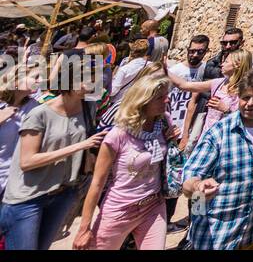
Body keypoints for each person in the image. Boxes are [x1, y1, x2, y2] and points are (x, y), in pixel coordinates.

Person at [181, 68, 253, 250]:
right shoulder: (220, 132)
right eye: (245, 98)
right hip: (217, 235)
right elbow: (189, 178)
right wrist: (198, 187)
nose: (250, 103)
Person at [0, 52, 102, 250]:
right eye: (86, 79)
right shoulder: (39, 113)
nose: (92, 84)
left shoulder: (88, 108)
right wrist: (80, 146)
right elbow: (27, 162)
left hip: (63, 193)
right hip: (28, 198)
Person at [73, 74, 171, 250]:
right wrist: (84, 229)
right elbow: (97, 183)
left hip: (154, 206)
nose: (167, 99)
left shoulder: (164, 122)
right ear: (143, 101)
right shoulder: (118, 135)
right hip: (120, 209)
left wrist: (173, 141)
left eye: (166, 95)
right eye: (160, 97)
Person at [165, 35, 209, 231]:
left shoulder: (208, 72)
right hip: (177, 131)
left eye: (200, 51)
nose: (195, 55)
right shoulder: (177, 71)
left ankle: (195, 223)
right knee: (173, 178)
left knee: (199, 180)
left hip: (199, 137)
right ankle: (167, 220)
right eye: (192, 51)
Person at [173, 47, 253, 141]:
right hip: (207, 137)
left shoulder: (246, 91)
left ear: (238, 65)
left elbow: (249, 120)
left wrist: (227, 110)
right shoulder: (219, 83)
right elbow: (184, 85)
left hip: (226, 140)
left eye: (226, 62)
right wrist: (165, 71)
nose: (222, 64)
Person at [0, 64, 39, 205]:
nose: (40, 81)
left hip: (15, 181)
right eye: (35, 77)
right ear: (16, 81)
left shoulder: (34, 107)